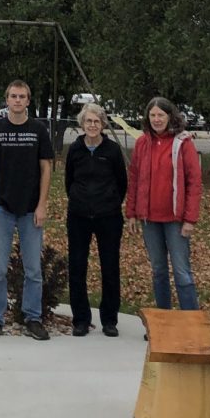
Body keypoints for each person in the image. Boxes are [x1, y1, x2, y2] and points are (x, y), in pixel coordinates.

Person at [0, 80, 55, 341]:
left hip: (30, 210)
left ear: (28, 100)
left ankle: (32, 318)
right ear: (7, 99)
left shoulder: (38, 130)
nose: (18, 100)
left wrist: (42, 204)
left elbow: (46, 168)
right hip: (2, 208)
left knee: (33, 269)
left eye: (22, 96)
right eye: (13, 96)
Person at [126, 96, 203, 313]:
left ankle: (190, 321)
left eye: (161, 115)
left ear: (170, 116)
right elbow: (134, 178)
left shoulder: (183, 143)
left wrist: (190, 219)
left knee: (181, 271)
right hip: (149, 219)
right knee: (158, 270)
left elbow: (194, 182)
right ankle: (163, 319)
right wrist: (131, 212)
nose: (157, 119)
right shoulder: (142, 143)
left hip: (175, 220)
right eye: (153, 115)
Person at [65, 103, 127, 337]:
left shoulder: (112, 150)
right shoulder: (75, 149)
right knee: (77, 266)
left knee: (110, 267)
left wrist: (108, 201)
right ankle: (81, 319)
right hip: (79, 216)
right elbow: (68, 181)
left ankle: (109, 319)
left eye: (97, 122)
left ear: (102, 125)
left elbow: (122, 182)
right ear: (82, 124)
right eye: (88, 121)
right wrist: (80, 200)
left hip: (108, 216)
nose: (92, 125)